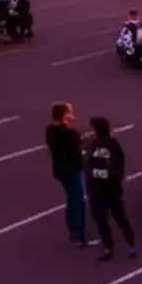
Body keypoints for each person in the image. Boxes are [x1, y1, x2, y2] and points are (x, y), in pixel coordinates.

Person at [85, 117, 136, 261]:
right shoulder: (93, 144)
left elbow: (116, 167)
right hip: (98, 191)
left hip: (108, 190)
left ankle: (130, 245)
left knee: (120, 219)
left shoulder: (110, 145)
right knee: (102, 221)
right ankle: (109, 248)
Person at [45, 102, 95, 246]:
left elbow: (69, 145)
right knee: (77, 201)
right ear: (64, 115)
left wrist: (84, 139)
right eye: (70, 112)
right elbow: (77, 151)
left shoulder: (51, 130)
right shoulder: (69, 133)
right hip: (72, 169)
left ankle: (73, 231)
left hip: (60, 170)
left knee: (72, 199)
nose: (73, 115)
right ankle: (79, 235)